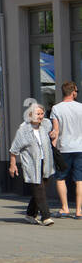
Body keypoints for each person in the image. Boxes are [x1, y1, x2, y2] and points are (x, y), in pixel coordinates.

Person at [10, 103, 55, 225]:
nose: (40, 116)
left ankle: (30, 214)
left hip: (45, 163)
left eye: (41, 113)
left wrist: (54, 133)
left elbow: (54, 129)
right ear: (30, 115)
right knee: (39, 189)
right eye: (37, 114)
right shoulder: (23, 130)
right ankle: (46, 217)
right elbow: (14, 149)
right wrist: (12, 165)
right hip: (31, 164)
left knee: (41, 189)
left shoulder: (45, 125)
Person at [50, 81, 82, 218]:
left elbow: (55, 131)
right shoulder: (81, 107)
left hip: (63, 148)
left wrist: (53, 144)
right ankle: (79, 211)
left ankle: (65, 208)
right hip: (80, 147)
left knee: (61, 178)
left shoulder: (56, 109)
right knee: (79, 180)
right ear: (73, 92)